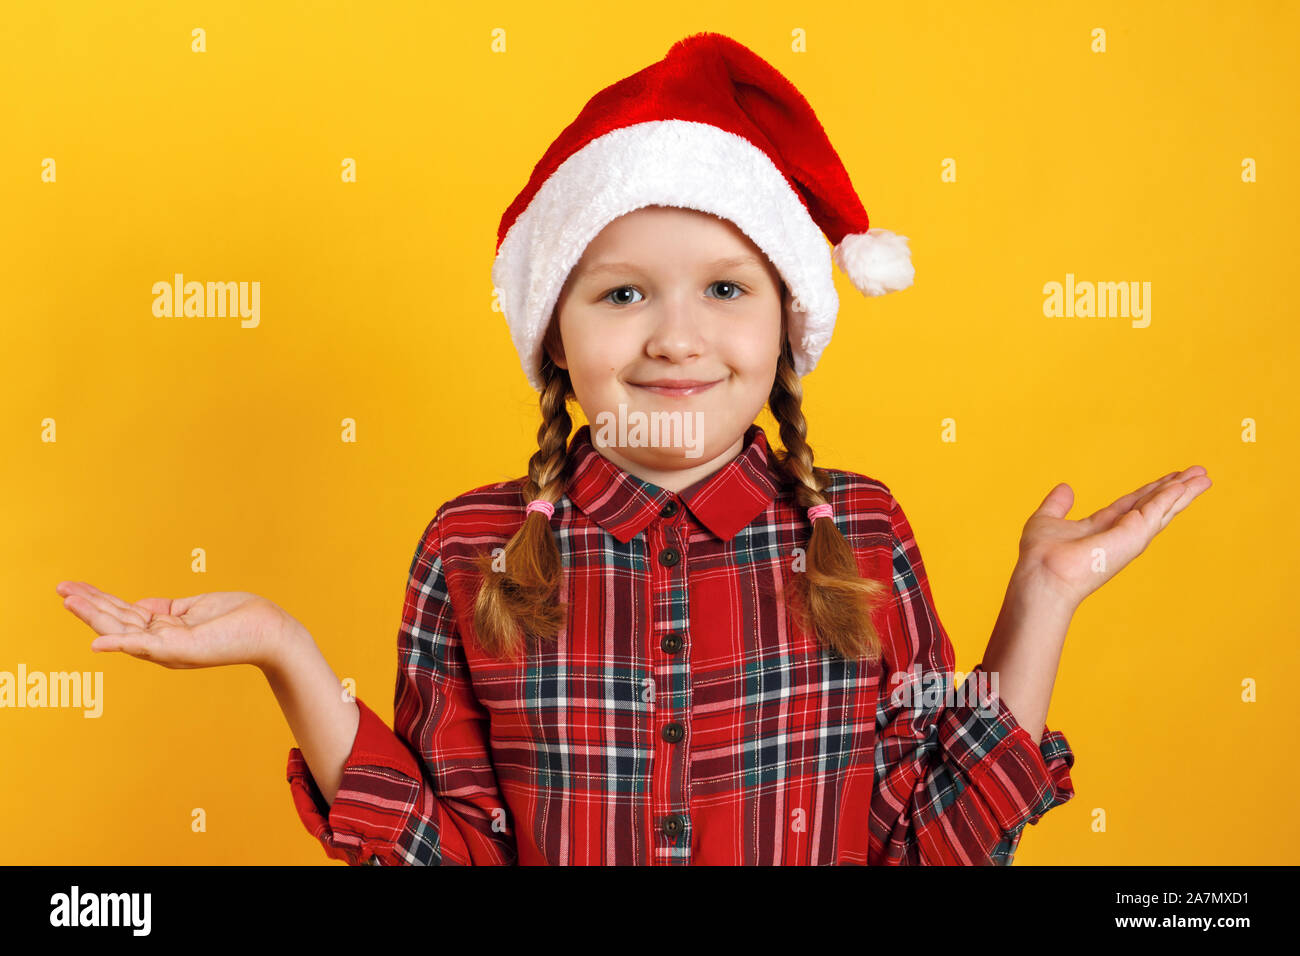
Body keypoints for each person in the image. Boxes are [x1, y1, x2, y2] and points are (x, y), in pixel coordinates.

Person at [55, 32, 1210, 865]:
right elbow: (446, 849)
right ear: (556, 334)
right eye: (620, 293)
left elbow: (935, 843)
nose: (675, 337)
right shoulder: (473, 547)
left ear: (784, 324)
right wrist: (284, 650)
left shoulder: (860, 531)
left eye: (722, 286)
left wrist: (1044, 597)